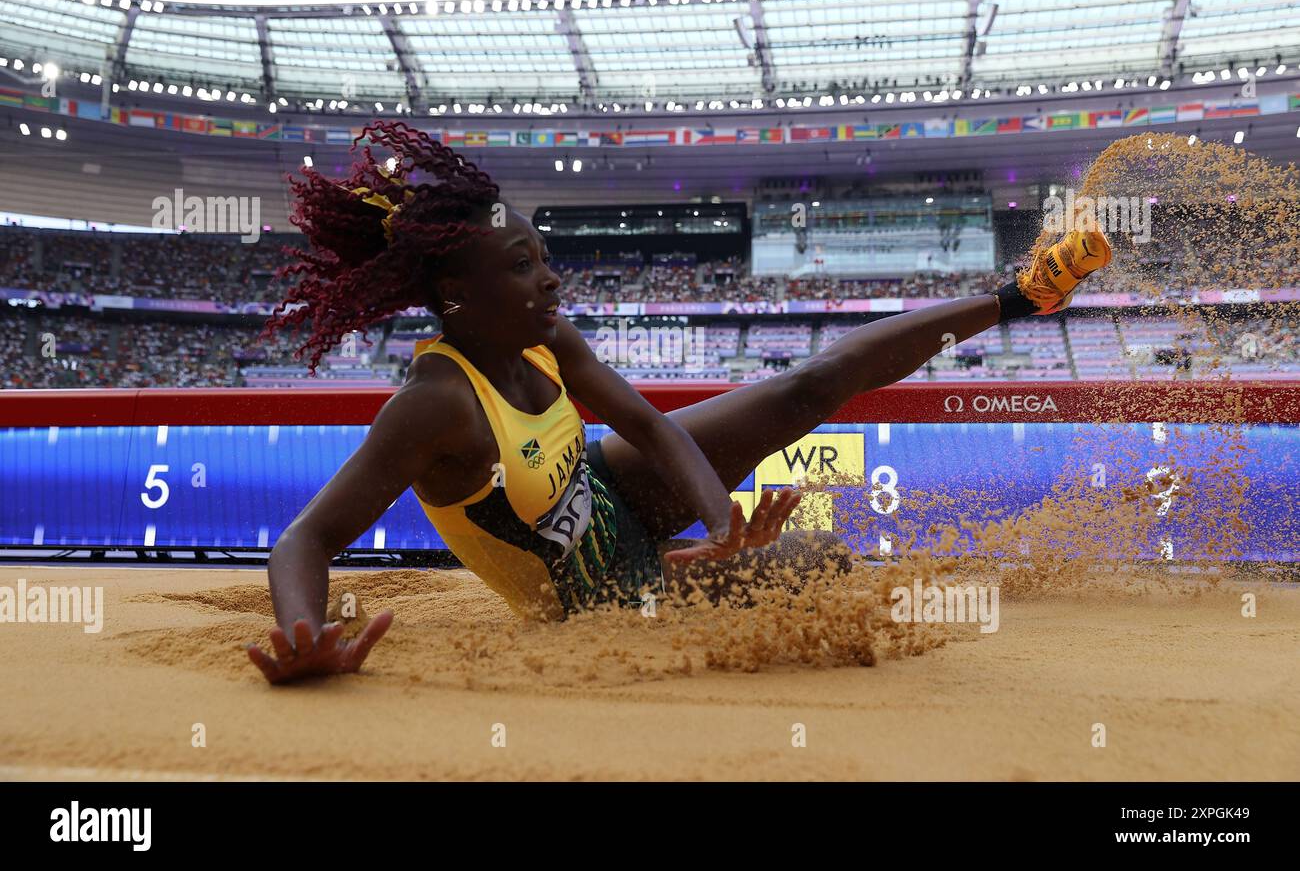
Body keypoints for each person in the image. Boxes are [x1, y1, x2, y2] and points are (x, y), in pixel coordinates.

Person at [246, 121, 1112, 684]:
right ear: (455, 292)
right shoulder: (434, 407)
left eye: (541, 255)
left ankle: (1020, 297)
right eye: (521, 266)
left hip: (607, 486)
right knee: (825, 569)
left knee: (803, 387)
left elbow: (650, 427)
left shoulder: (550, 339)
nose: (549, 278)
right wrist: (301, 637)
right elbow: (307, 540)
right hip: (596, 590)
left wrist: (719, 525)